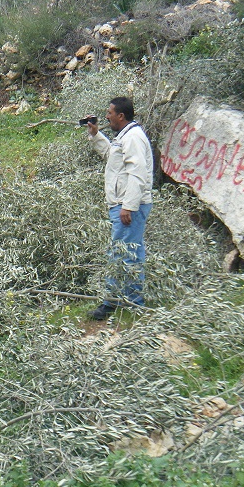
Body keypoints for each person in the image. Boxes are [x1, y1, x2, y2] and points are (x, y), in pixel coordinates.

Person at [85, 96, 153, 320]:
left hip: (128, 206)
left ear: (121, 116)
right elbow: (111, 157)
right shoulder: (125, 136)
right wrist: (95, 135)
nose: (106, 116)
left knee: (121, 252)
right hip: (124, 204)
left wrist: (128, 206)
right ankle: (134, 301)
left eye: (110, 113)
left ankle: (111, 302)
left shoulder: (133, 137)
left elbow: (137, 173)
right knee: (131, 251)